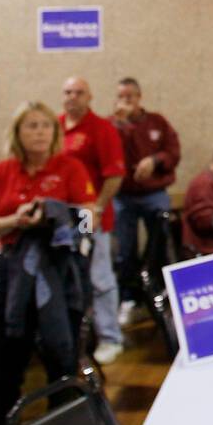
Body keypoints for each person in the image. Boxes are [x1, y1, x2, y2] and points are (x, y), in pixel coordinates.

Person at [0, 102, 96, 425]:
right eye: (31, 125)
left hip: (60, 269)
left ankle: (62, 420)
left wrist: (55, 213)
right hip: (13, 266)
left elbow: (89, 218)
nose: (40, 132)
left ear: (55, 133)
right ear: (17, 133)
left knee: (62, 346)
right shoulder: (2, 171)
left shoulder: (70, 168)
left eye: (46, 125)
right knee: (3, 344)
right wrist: (16, 219)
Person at [59, 77, 125, 365]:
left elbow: (115, 174)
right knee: (67, 279)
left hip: (90, 214)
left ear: (90, 96)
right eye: (68, 92)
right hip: (60, 219)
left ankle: (111, 337)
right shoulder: (55, 126)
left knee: (99, 277)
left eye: (79, 92)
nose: (73, 97)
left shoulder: (101, 129)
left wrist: (96, 208)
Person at [110, 77, 180, 325]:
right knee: (124, 250)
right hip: (123, 195)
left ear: (139, 97)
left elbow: (173, 151)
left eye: (130, 96)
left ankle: (163, 293)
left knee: (163, 242)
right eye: (121, 96)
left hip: (154, 194)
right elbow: (109, 156)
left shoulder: (156, 122)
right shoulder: (111, 125)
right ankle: (130, 299)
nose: (125, 101)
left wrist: (154, 161)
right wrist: (120, 126)